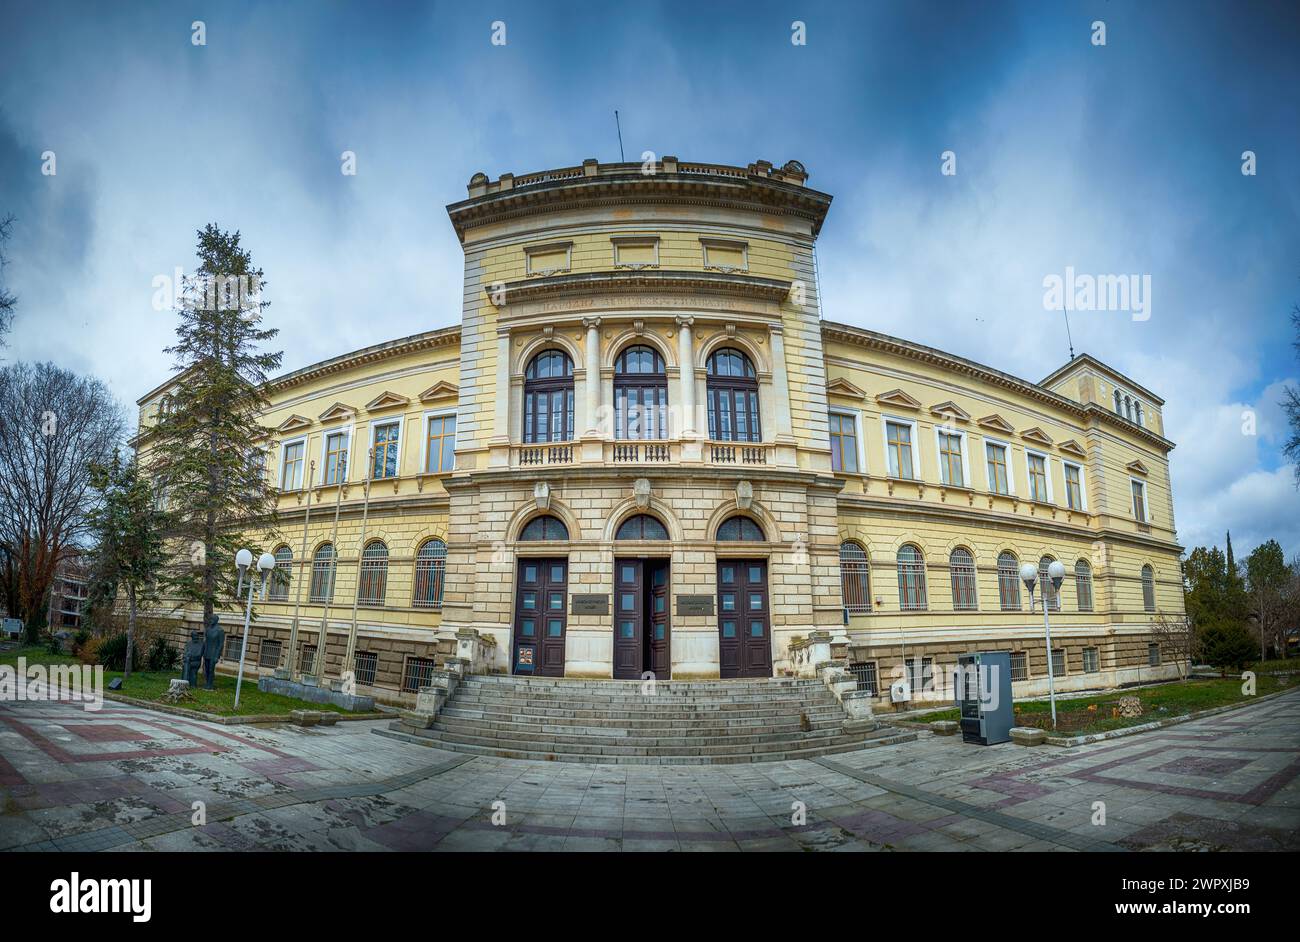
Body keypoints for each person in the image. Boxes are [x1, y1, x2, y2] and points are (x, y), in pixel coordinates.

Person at [201, 614, 225, 691]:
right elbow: (206, 642)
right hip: (207, 652)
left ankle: (210, 684)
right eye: (210, 619)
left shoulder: (220, 630)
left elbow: (220, 644)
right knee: (207, 669)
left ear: (216, 621)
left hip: (214, 653)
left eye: (212, 619)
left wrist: (217, 656)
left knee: (211, 669)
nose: (210, 621)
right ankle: (207, 682)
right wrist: (203, 652)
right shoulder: (208, 629)